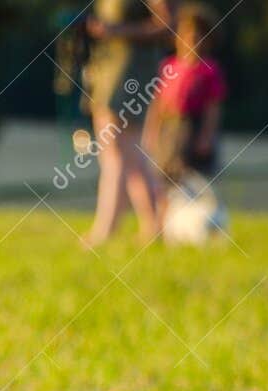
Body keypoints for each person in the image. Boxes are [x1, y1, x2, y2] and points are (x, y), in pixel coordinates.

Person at [82, 0, 173, 246]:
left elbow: (167, 23)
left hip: (132, 68)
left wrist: (118, 31)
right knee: (128, 152)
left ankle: (105, 230)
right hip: (107, 61)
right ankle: (153, 227)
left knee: (116, 150)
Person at [146, 4, 225, 184]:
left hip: (192, 127)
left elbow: (213, 108)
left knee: (191, 177)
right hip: (169, 127)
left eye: (198, 35)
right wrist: (151, 133)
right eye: (186, 34)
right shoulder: (168, 66)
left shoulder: (209, 70)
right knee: (163, 175)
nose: (192, 38)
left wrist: (206, 136)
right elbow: (157, 103)